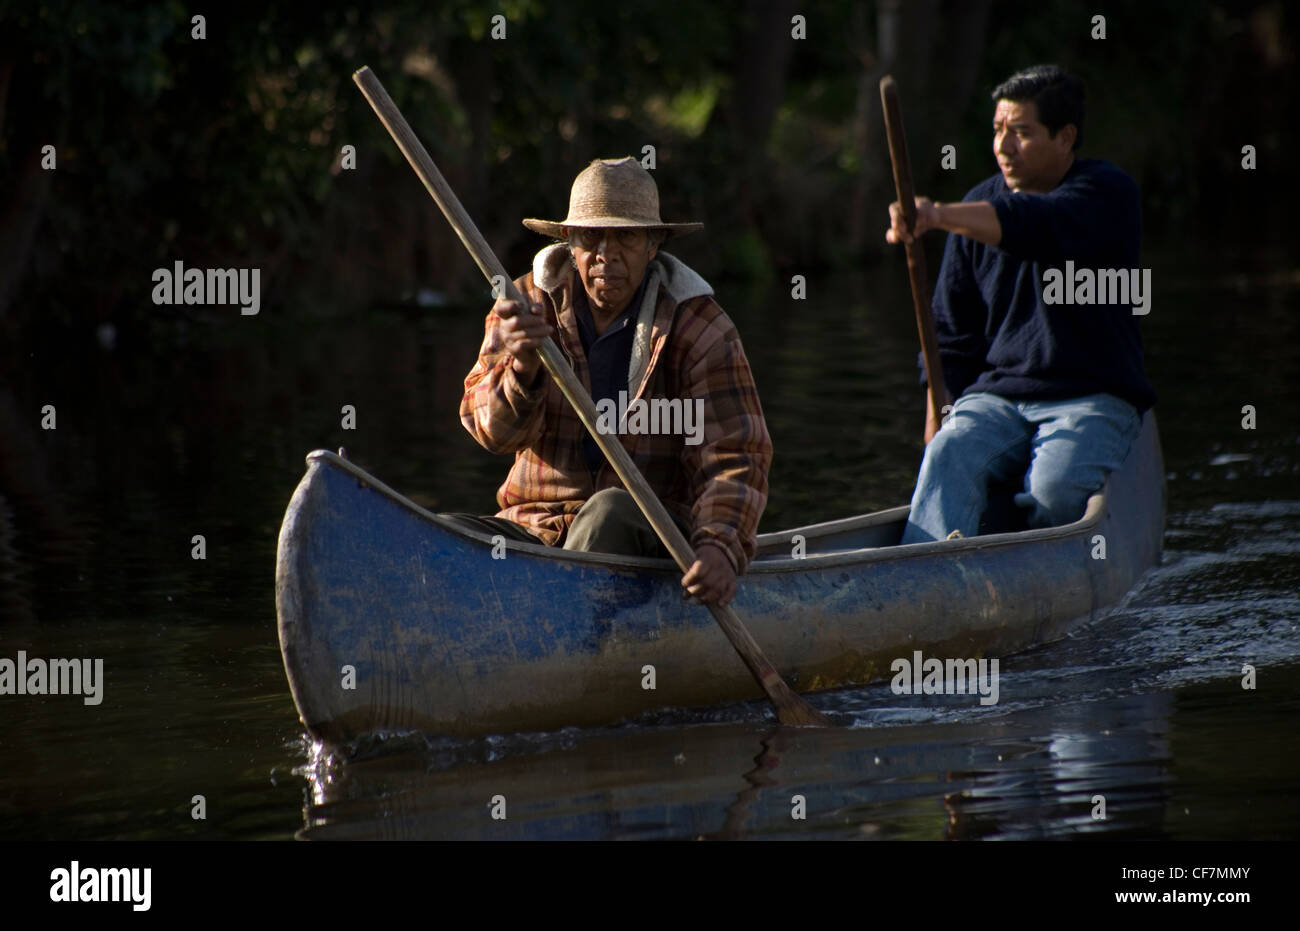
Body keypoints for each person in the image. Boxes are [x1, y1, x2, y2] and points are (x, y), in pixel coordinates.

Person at [455, 157, 772, 606]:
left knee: (608, 509)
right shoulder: (525, 307)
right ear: (569, 242)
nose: (606, 253)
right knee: (444, 534)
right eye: (590, 237)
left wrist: (719, 547)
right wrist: (523, 367)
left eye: (626, 236)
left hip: (649, 536)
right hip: (534, 530)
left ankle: (563, 640)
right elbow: (492, 433)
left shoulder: (701, 328)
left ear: (653, 244)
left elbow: (734, 455)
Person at [886, 64, 1157, 544]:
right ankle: (924, 579)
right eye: (997, 131)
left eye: (1021, 133)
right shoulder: (977, 207)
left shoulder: (1107, 195)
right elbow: (952, 331)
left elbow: (1035, 225)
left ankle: (1030, 573)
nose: (1003, 148)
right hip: (1000, 397)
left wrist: (935, 215)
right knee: (948, 453)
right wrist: (938, 403)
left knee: (1055, 490)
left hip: (1092, 395)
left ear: (1065, 138)